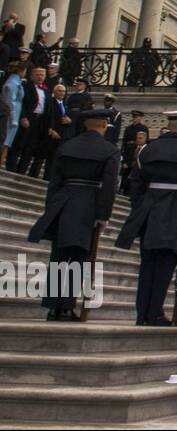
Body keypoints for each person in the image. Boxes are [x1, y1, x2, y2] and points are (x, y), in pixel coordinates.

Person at [113, 109, 177, 326]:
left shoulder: (148, 147)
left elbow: (135, 180)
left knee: (147, 262)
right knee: (165, 262)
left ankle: (142, 312)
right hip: (175, 207)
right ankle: (154, 312)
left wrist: (140, 205)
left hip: (149, 206)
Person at [26, 108, 120, 320]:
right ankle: (67, 306)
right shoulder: (109, 150)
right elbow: (109, 186)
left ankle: (52, 306)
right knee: (78, 257)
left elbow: (55, 180)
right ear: (104, 126)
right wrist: (104, 215)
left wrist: (51, 207)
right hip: (87, 202)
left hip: (63, 201)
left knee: (58, 256)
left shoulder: (67, 146)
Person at [9, 65, 47, 173]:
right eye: (38, 74)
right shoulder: (26, 86)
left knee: (30, 146)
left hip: (39, 120)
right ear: (32, 76)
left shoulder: (45, 90)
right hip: (28, 117)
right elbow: (22, 103)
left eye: (42, 75)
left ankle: (22, 169)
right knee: (19, 143)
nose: (40, 77)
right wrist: (23, 117)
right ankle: (11, 166)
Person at [0, 60, 23, 168]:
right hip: (9, 112)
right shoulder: (12, 83)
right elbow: (10, 100)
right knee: (6, 138)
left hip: (14, 111)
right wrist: (13, 117)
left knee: (8, 139)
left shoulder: (17, 82)